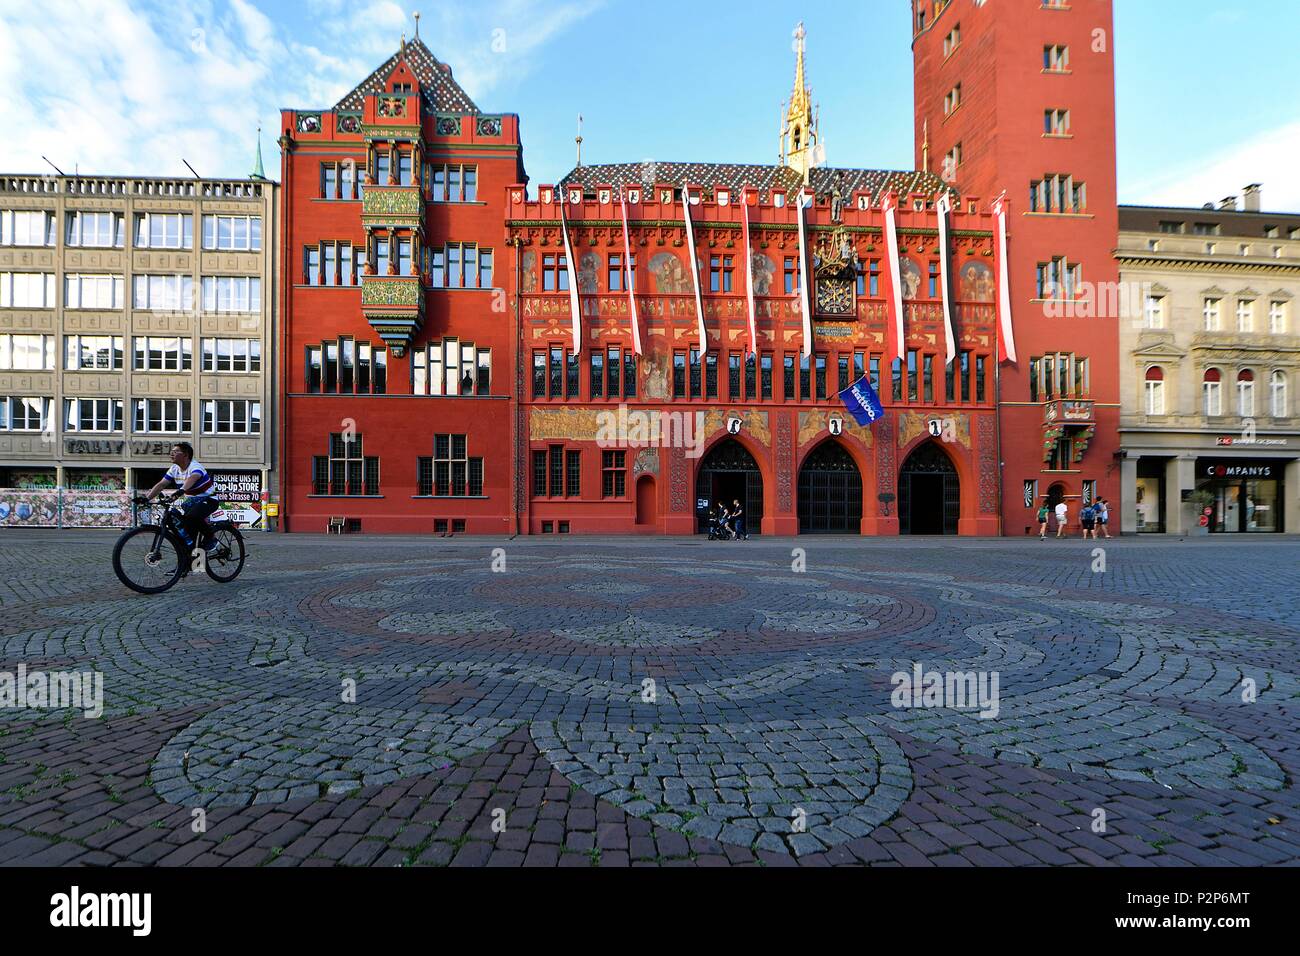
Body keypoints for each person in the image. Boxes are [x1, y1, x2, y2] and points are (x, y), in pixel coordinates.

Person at [142, 442, 219, 553]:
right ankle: (186, 565)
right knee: (186, 533)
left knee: (192, 517)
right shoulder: (174, 469)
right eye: (171, 452)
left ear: (185, 455)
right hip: (192, 502)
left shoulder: (195, 467)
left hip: (209, 500)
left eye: (175, 452)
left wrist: (180, 491)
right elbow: (161, 484)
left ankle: (211, 538)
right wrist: (146, 498)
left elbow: (192, 478)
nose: (171, 454)